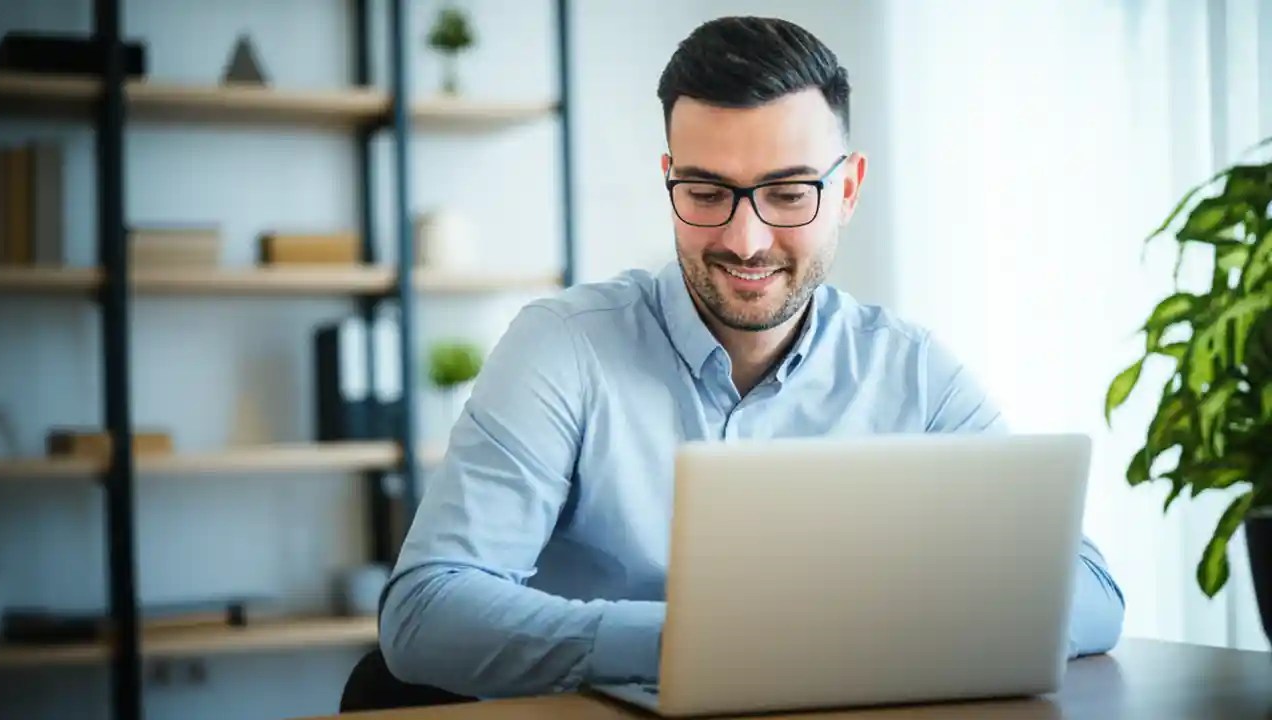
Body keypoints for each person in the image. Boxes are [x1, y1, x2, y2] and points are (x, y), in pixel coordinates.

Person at [379, 15, 1124, 700]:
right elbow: (425, 609)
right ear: (669, 178)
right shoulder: (561, 349)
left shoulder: (912, 373)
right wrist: (699, 644)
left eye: (790, 192)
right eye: (706, 192)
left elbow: (1088, 590)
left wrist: (874, 638)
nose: (745, 239)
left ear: (849, 188)